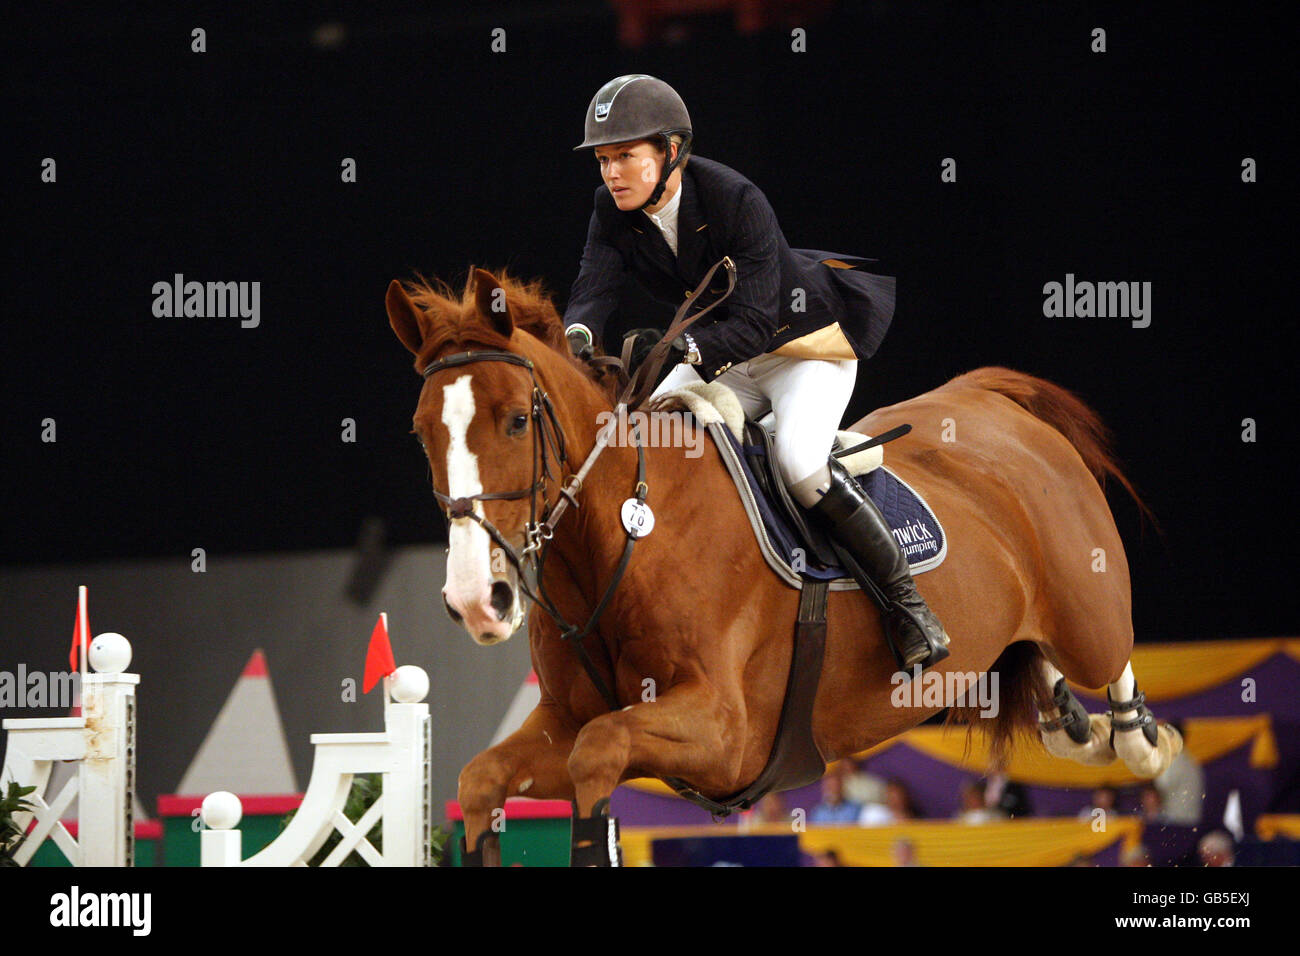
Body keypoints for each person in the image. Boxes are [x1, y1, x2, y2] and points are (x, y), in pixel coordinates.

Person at [562, 73, 948, 669]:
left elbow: (753, 321)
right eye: (605, 159)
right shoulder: (608, 209)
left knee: (797, 463)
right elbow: (592, 287)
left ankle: (909, 606)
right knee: (645, 436)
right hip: (726, 355)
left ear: (670, 152)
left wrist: (678, 351)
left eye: (626, 157)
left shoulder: (735, 198)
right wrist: (577, 343)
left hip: (800, 353)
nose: (612, 173)